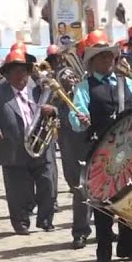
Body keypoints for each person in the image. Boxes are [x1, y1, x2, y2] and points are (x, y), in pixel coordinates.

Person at [68, 31, 132, 262]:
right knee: (102, 201)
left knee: (128, 193)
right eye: (101, 57)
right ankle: (103, 252)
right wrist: (79, 119)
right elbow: (76, 116)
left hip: (128, 146)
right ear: (92, 61)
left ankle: (129, 247)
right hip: (100, 149)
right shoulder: (85, 87)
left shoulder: (127, 83)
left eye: (109, 57)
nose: (107, 61)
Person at [0, 44, 57, 236]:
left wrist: (52, 110)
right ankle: (20, 222)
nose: (21, 76)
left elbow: (57, 107)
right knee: (18, 191)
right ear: (8, 74)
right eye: (16, 71)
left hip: (41, 145)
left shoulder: (39, 89)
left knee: (48, 183)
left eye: (24, 71)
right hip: (13, 148)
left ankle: (45, 219)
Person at [55, 39, 92, 249]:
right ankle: (80, 231)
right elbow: (66, 96)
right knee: (80, 186)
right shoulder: (67, 74)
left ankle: (105, 228)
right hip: (73, 137)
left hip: (92, 135)